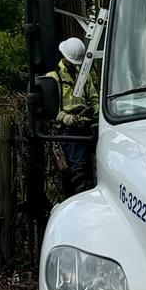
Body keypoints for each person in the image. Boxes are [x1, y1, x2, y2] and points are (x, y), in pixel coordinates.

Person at [51, 41, 99, 198]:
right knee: (78, 167)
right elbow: (50, 110)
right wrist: (65, 117)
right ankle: (82, 196)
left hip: (89, 124)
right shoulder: (53, 78)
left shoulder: (84, 75)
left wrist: (100, 115)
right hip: (70, 131)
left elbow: (94, 99)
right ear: (65, 58)